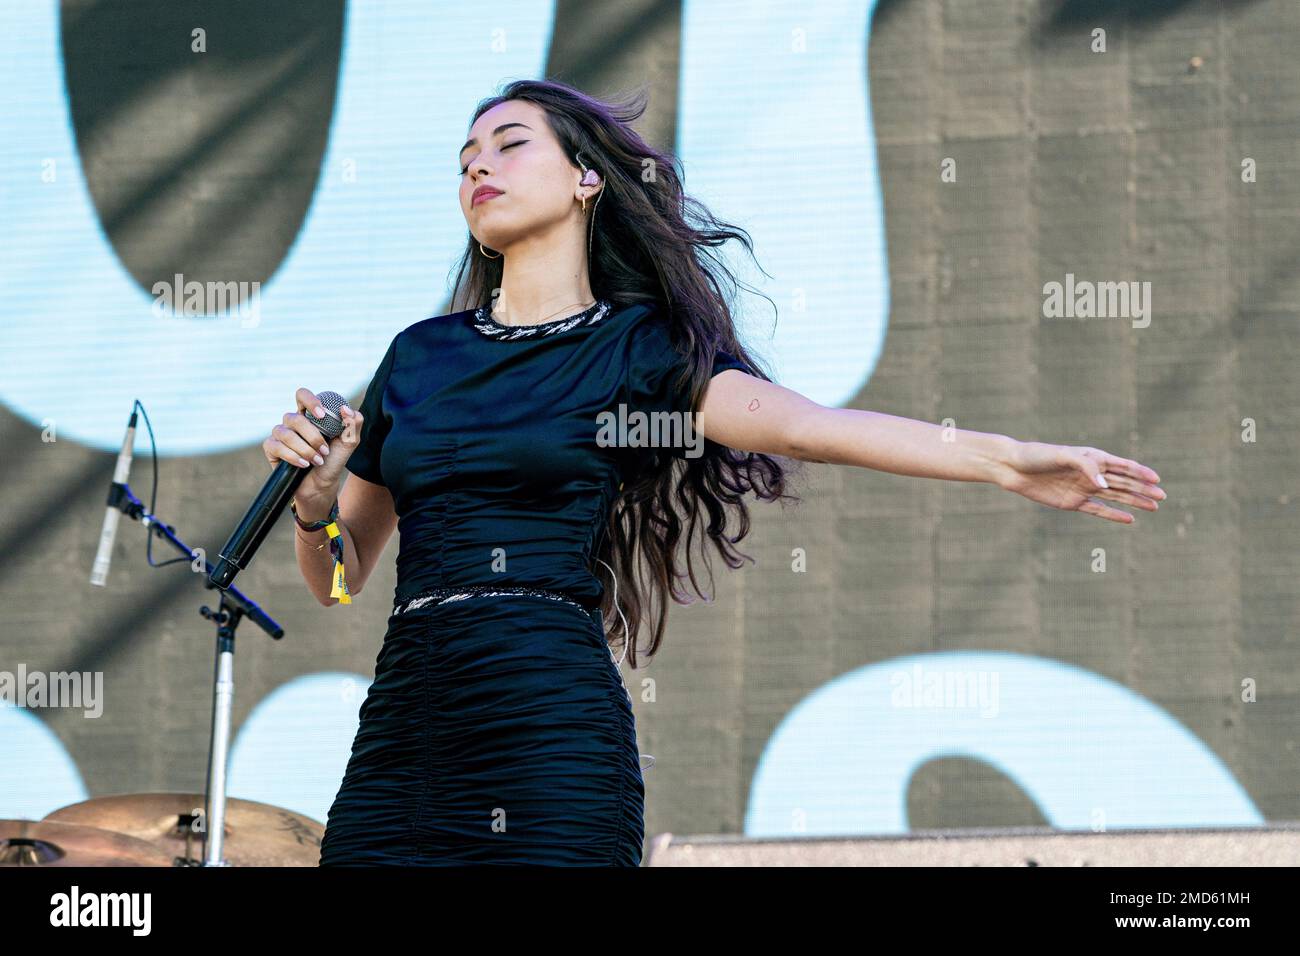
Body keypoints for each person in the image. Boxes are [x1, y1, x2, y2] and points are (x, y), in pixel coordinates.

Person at [263, 80, 1165, 866]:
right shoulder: (420, 357)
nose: (478, 168)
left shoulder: (636, 347)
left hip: (546, 718)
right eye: (464, 159)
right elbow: (340, 580)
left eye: (508, 144)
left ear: (586, 180)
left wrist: (1007, 461)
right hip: (407, 725)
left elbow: (812, 429)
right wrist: (312, 506)